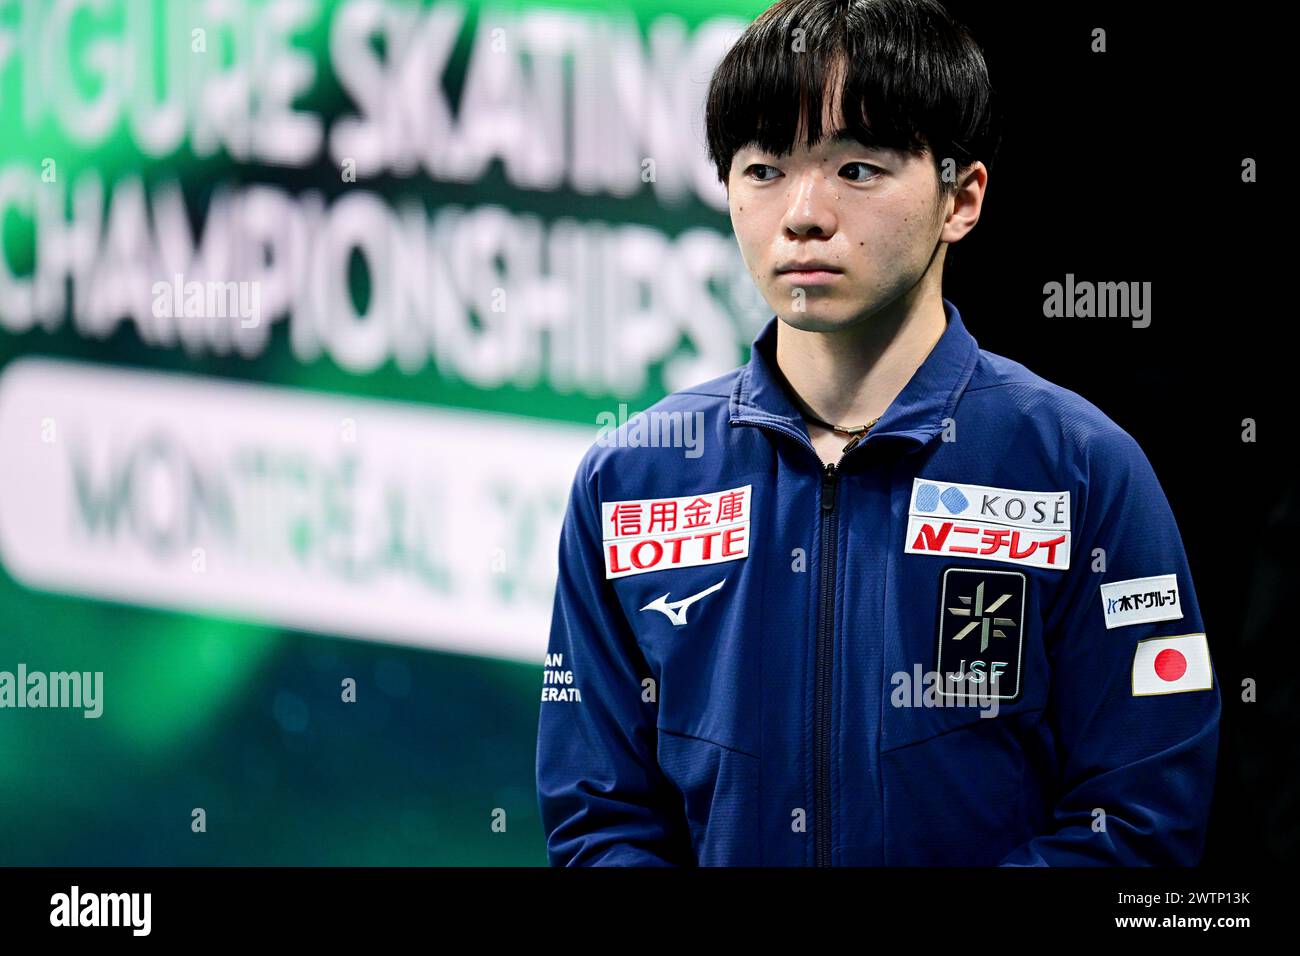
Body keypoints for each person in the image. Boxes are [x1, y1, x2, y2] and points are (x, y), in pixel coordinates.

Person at [535, 0, 1219, 866]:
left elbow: (1138, 822)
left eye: (857, 169)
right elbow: (598, 819)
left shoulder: (1081, 469)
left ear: (961, 198)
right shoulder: (632, 477)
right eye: (764, 169)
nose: (803, 214)